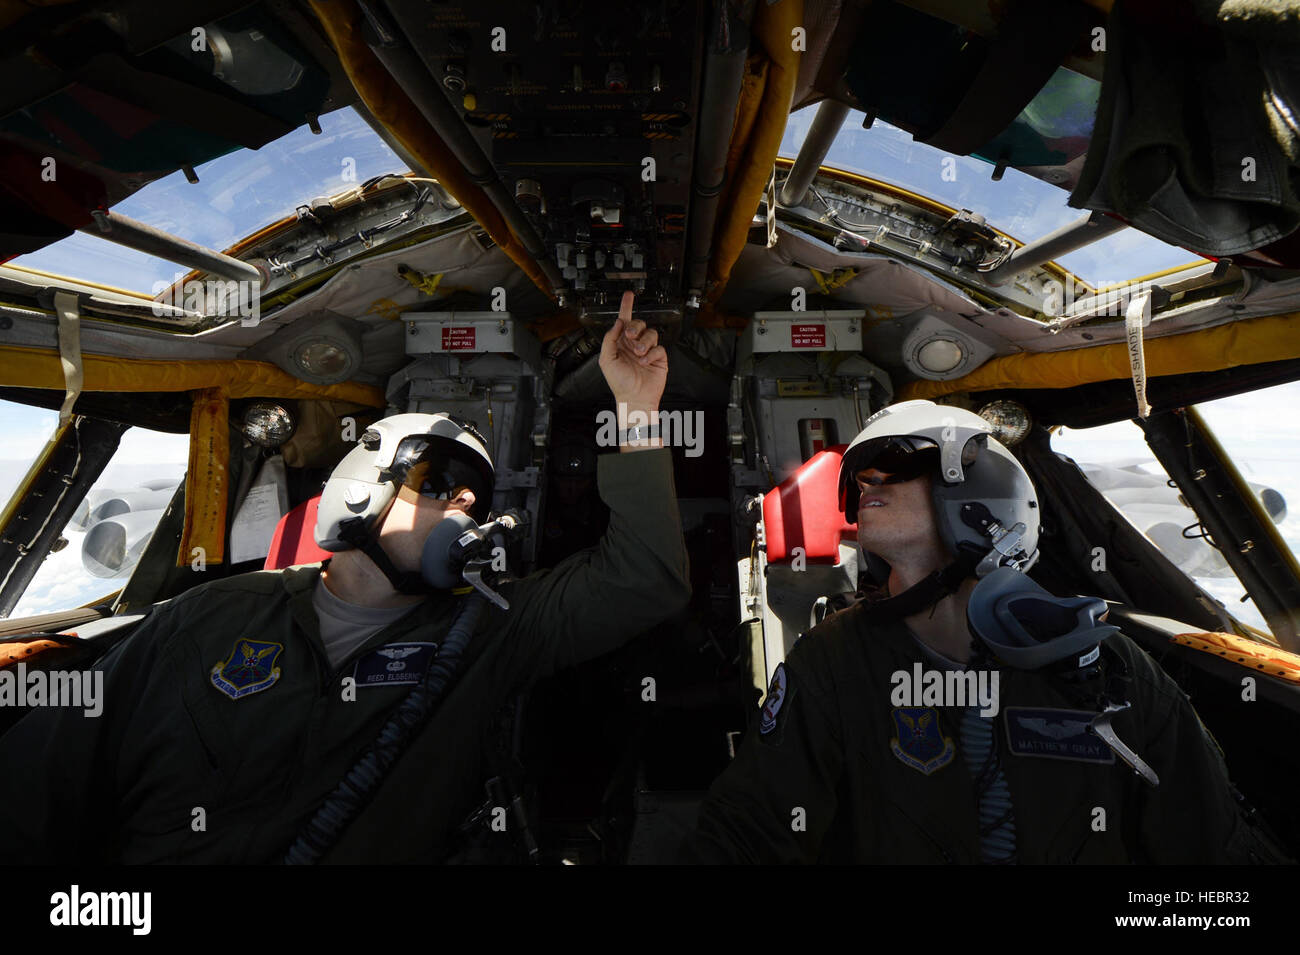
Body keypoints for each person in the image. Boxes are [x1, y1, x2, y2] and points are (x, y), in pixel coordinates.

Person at [0, 291, 690, 864]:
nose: (469, 502)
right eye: (443, 480)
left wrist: (634, 409)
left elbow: (644, 578)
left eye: (478, 493)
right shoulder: (203, 616)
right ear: (362, 485)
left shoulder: (489, 631)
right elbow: (33, 792)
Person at [687, 399, 1288, 864]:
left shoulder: (1107, 666)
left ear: (983, 495)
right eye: (859, 478)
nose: (867, 485)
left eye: (895, 465)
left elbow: (1212, 851)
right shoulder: (836, 658)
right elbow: (751, 829)